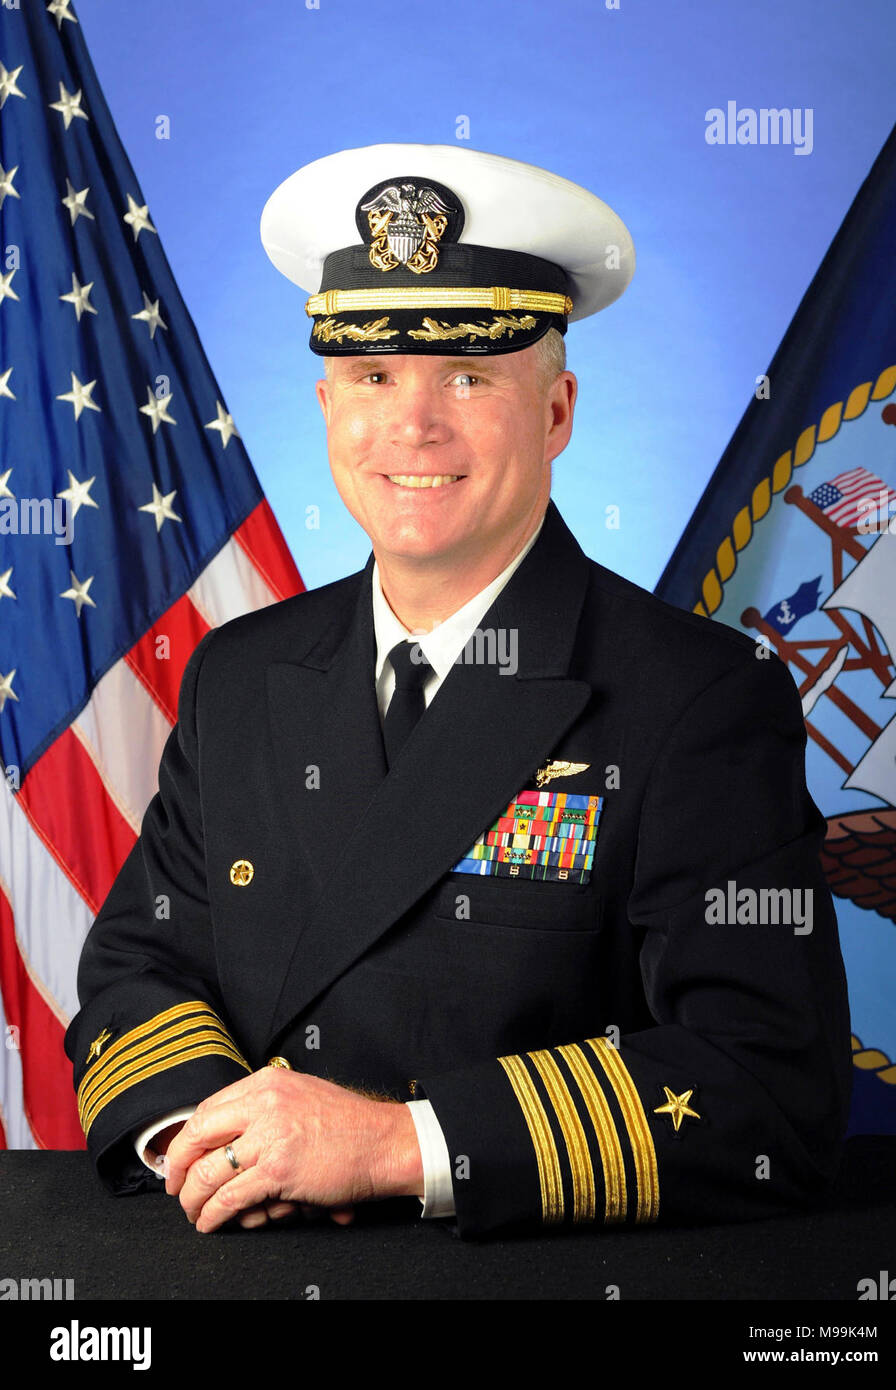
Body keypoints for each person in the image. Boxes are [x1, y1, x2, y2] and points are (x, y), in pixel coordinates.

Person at [64, 143, 852, 1239]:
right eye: (373, 377)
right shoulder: (238, 676)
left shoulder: (699, 699)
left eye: (469, 376)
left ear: (558, 411)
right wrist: (232, 1143)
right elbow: (136, 964)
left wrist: (393, 1148)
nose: (412, 425)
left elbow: (769, 1088)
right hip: (242, 1255)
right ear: (327, 403)